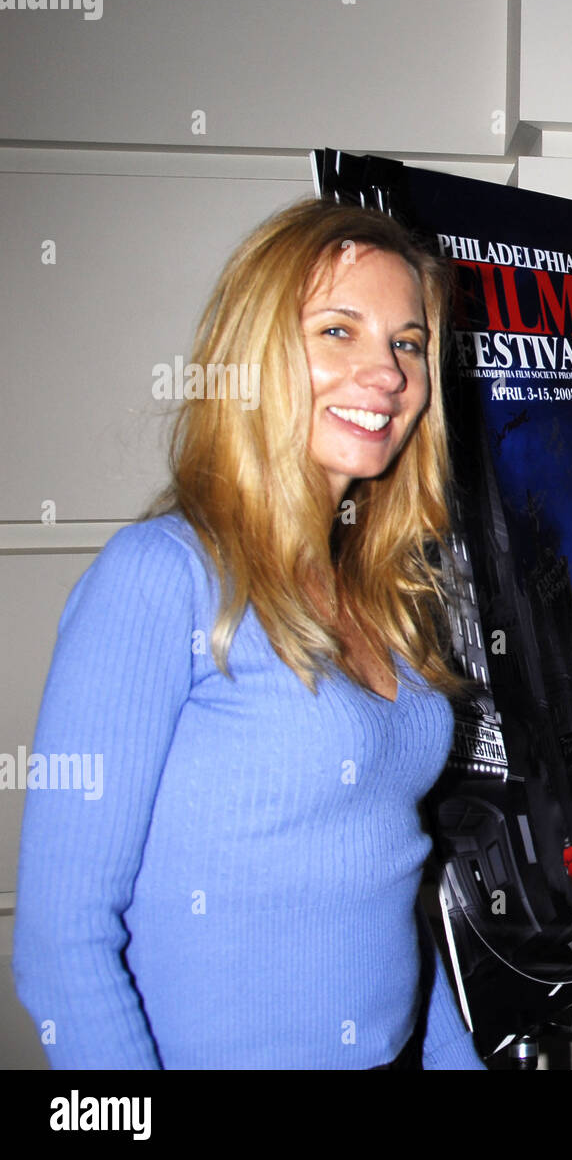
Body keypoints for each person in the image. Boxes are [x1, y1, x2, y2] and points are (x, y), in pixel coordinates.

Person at [14, 199, 483, 1069]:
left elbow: (387, 884)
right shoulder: (164, 576)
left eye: (407, 343)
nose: (384, 371)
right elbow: (61, 945)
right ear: (255, 353)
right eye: (339, 330)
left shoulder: (385, 590)